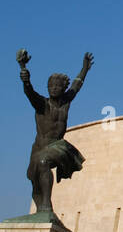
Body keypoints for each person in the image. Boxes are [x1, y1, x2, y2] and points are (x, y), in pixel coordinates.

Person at [18, 48, 92, 214]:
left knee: (43, 162)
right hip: (39, 146)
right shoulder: (42, 104)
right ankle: (41, 211)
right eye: (51, 85)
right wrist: (23, 69)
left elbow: (76, 85)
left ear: (63, 88)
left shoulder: (65, 102)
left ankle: (46, 205)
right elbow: (29, 92)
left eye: (58, 86)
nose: (54, 88)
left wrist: (85, 69)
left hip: (57, 145)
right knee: (34, 179)